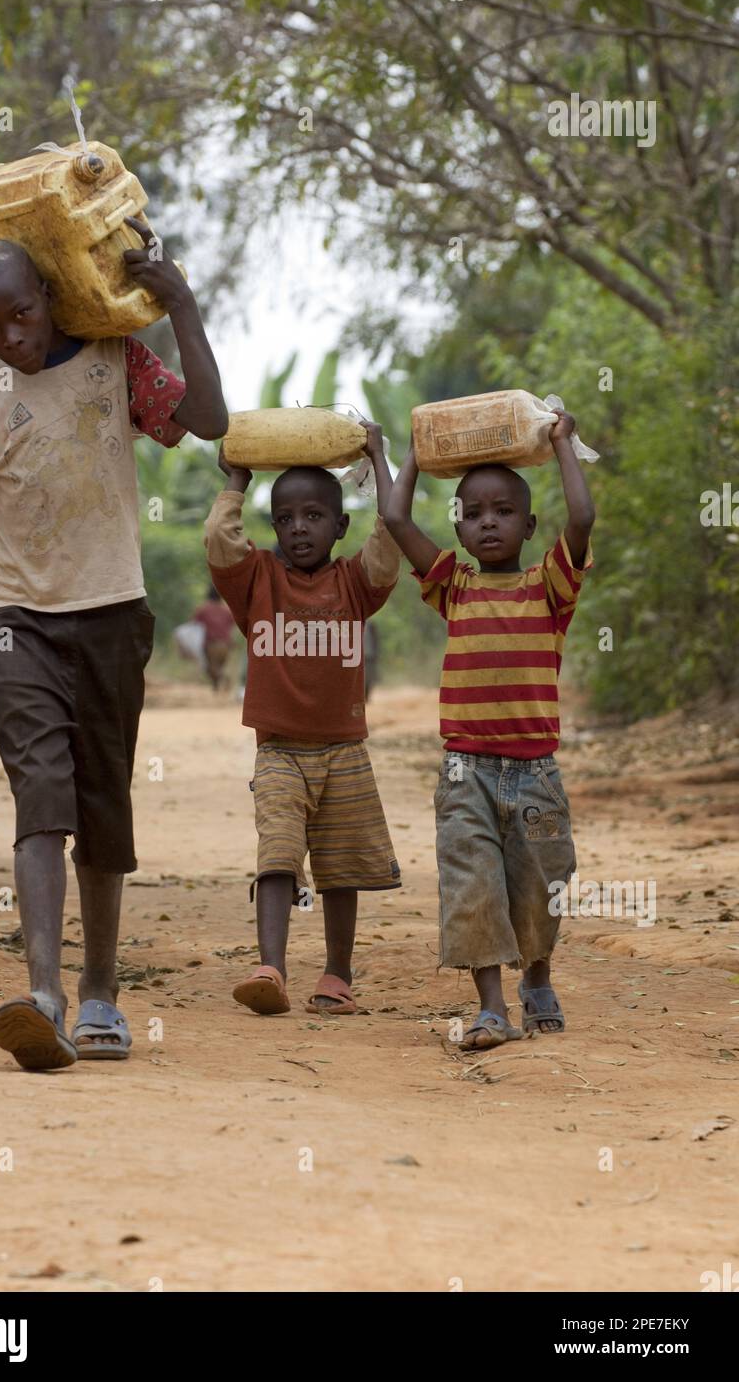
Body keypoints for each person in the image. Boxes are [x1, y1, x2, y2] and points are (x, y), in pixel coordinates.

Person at [0, 221, 227, 1070]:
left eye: (19, 315)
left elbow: (207, 418)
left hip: (111, 615)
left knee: (101, 807)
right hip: (18, 618)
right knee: (40, 801)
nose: (8, 338)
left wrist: (181, 307)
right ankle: (44, 997)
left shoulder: (115, 360)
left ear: (49, 297)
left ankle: (101, 992)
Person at [383, 413, 594, 1049]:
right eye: (473, 513)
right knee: (473, 884)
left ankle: (537, 977)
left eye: (504, 511)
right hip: (464, 770)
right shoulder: (454, 586)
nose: (489, 522)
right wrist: (415, 455)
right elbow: (396, 521)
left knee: (539, 887)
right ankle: (492, 1008)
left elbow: (580, 520)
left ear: (529, 526)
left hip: (535, 773)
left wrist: (560, 444)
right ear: (459, 526)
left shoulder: (548, 588)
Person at [205, 422, 401, 1015]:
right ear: (273, 528)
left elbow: (393, 531)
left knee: (340, 869)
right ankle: (272, 969)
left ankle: (337, 975)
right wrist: (237, 478)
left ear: (340, 526)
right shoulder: (255, 581)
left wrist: (379, 457)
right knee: (278, 858)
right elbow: (219, 537)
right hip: (280, 752)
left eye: (314, 516)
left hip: (344, 750)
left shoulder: (355, 584)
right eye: (285, 518)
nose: (298, 529)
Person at [192, 585, 235, 690]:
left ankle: (224, 679)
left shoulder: (203, 609)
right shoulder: (227, 610)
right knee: (219, 667)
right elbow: (233, 623)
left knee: (211, 669)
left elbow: (194, 623)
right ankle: (216, 690)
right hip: (225, 645)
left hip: (211, 644)